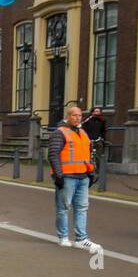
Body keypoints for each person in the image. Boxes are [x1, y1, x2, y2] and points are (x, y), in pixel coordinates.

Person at [49, 103, 101, 252]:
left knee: (82, 208)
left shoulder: (83, 133)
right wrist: (58, 176)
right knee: (63, 208)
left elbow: (88, 155)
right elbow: (53, 155)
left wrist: (91, 173)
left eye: (79, 116)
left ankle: (81, 239)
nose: (77, 118)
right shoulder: (60, 133)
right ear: (67, 116)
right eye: (74, 115)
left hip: (83, 177)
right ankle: (63, 237)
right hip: (67, 177)